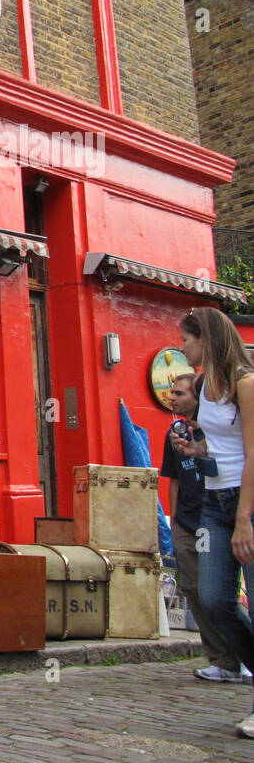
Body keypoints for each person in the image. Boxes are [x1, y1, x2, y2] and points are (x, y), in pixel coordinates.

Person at [171, 308, 254, 739]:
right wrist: (195, 452)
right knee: (213, 598)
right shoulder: (205, 386)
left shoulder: (246, 382)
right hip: (213, 501)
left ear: (205, 339)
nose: (182, 349)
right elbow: (218, 445)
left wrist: (245, 520)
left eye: (186, 340)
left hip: (246, 504)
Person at [161, 373, 249, 682]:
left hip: (226, 513)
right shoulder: (176, 432)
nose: (174, 397)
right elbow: (173, 480)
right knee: (201, 593)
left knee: (226, 593)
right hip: (190, 520)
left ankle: (244, 657)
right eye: (172, 392)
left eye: (181, 393)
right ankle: (223, 659)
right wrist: (172, 521)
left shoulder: (226, 426)